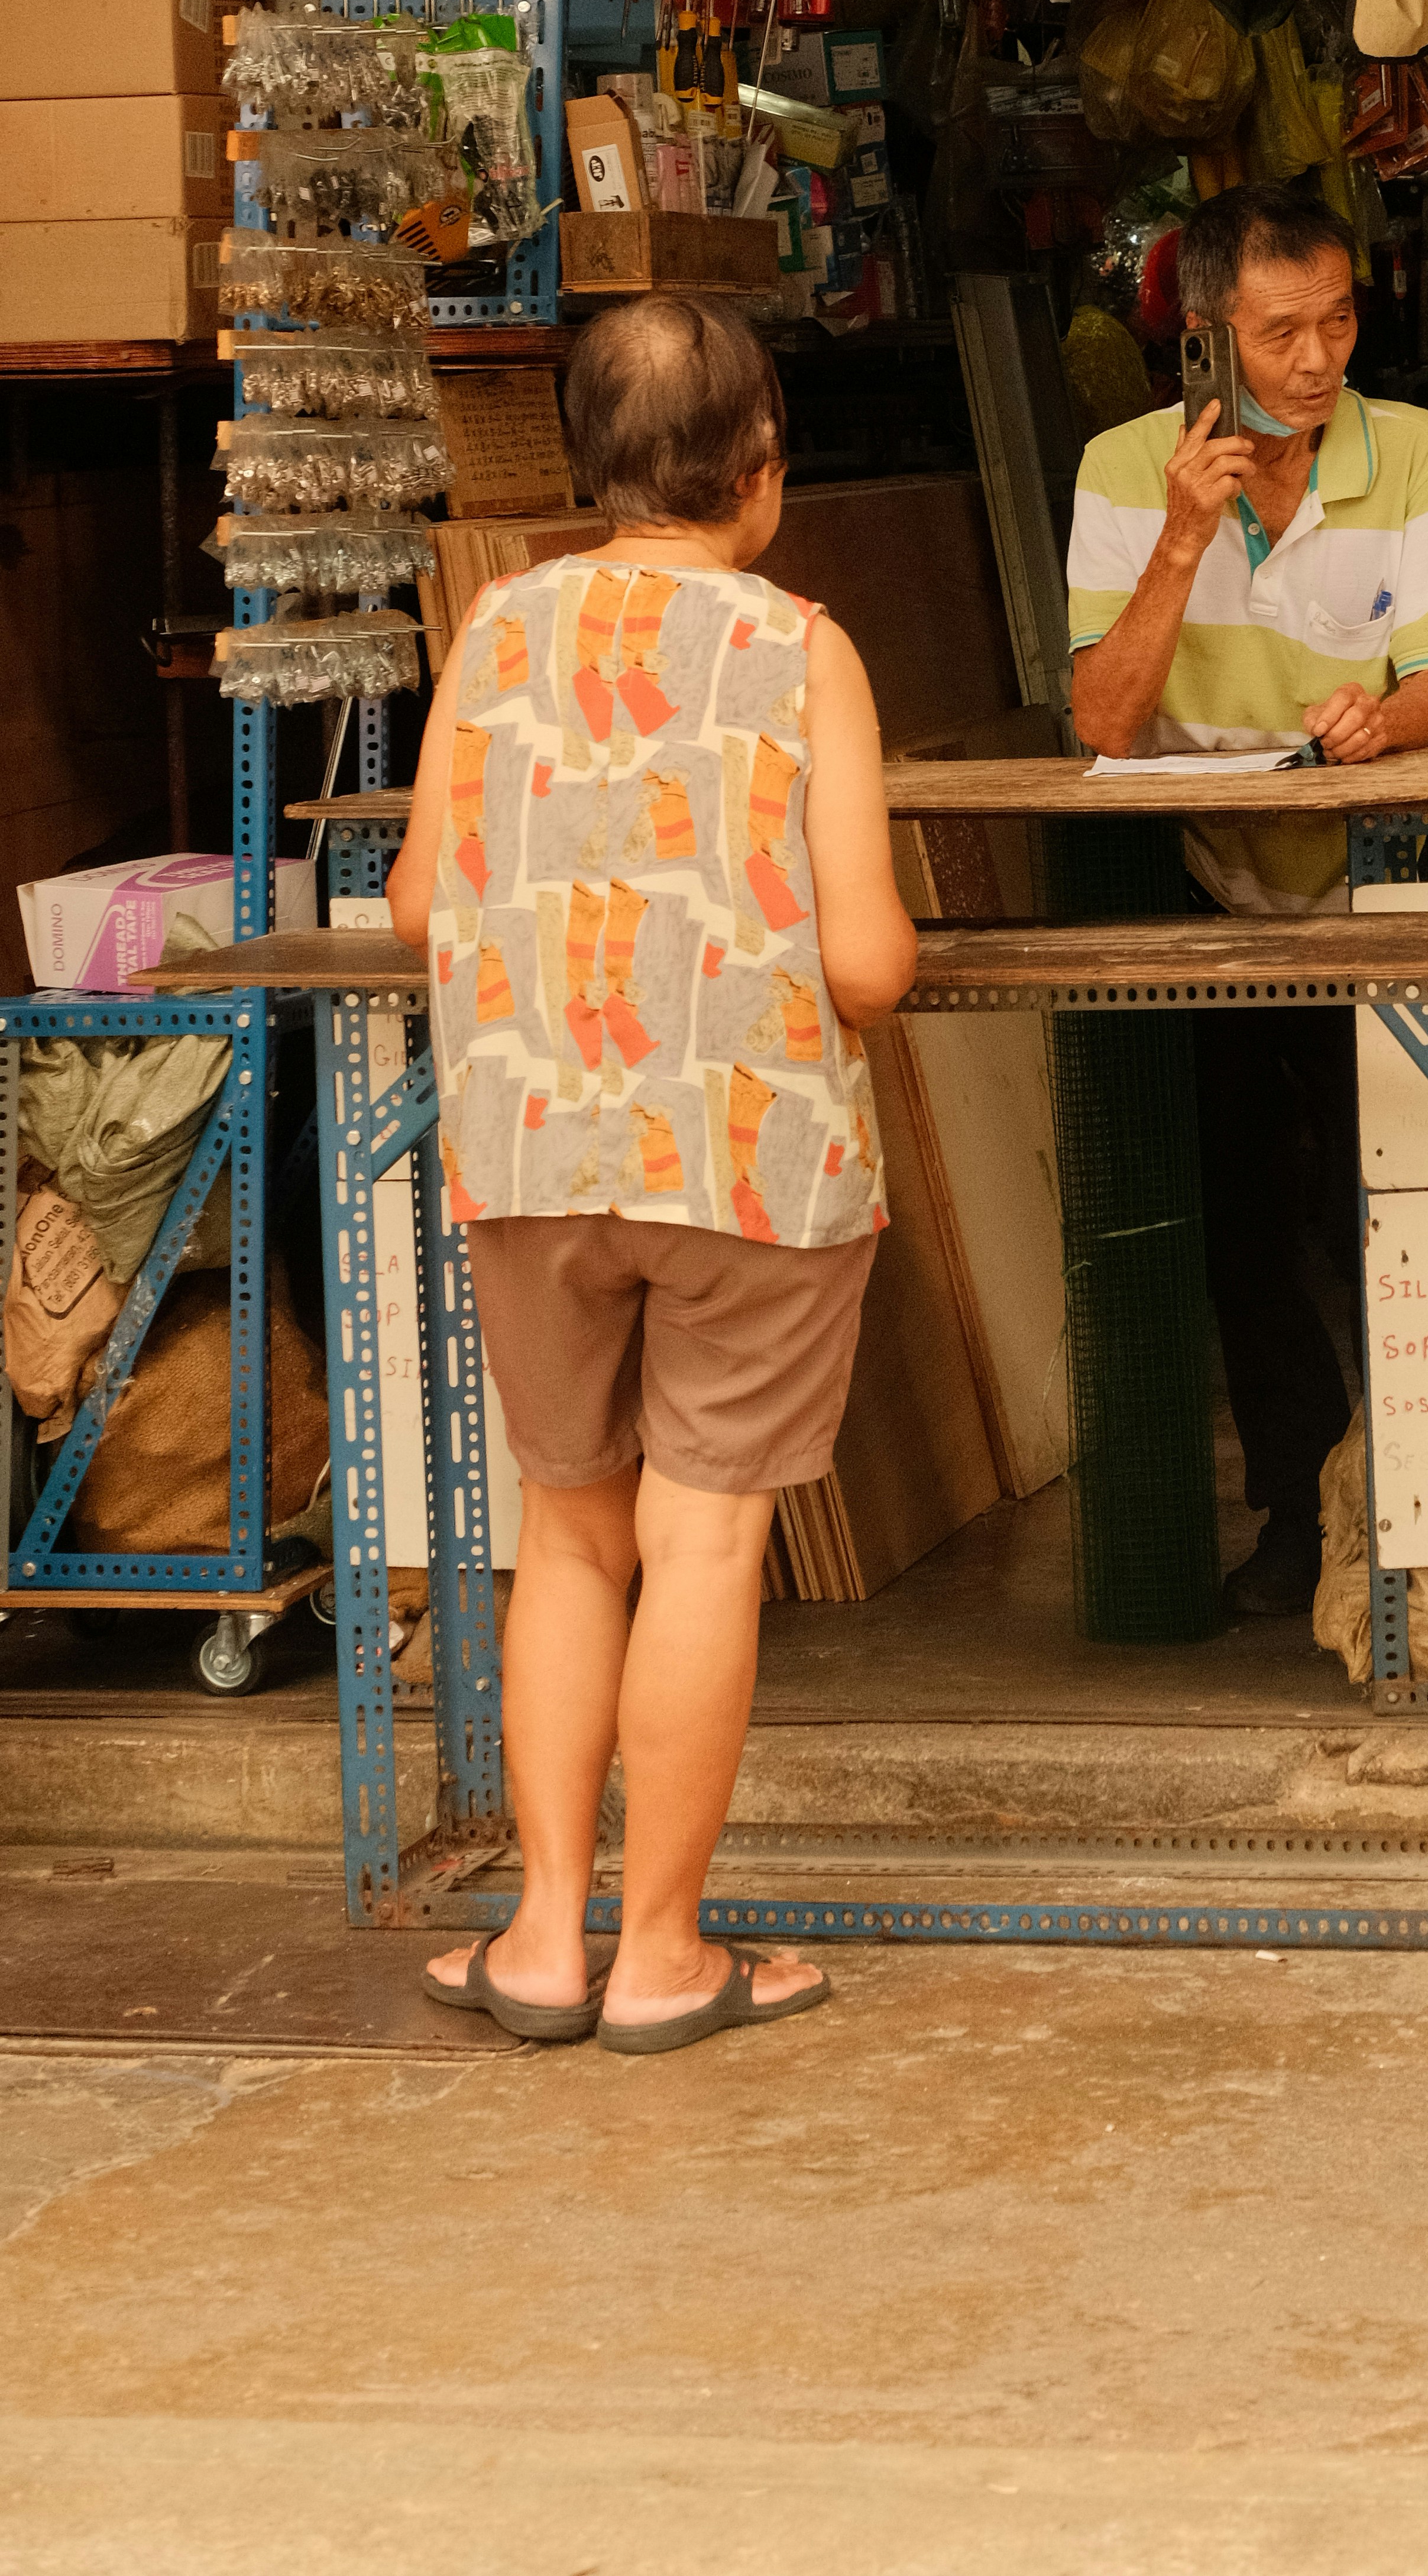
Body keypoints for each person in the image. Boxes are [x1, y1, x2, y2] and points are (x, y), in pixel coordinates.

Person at [387, 293, 915, 2051]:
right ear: (760, 472)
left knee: (570, 1535)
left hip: (534, 1148)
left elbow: (413, 906)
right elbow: (865, 969)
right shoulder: (801, 648)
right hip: (744, 1159)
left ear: (593, 464)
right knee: (703, 1544)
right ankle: (668, 1951)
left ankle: (544, 1938)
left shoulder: (496, 631)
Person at [1067, 181, 1428, 1617]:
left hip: (1379, 890)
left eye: (1338, 322)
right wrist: (1184, 539)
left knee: (1390, 1208)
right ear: (1205, 338)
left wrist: (1397, 723)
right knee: (1247, 1224)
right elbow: (1106, 723)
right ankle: (1299, 1524)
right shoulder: (1124, 472)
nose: (1317, 362)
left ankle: (1425, 1512)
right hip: (1208, 887)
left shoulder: (1412, 452)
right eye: (1278, 334)